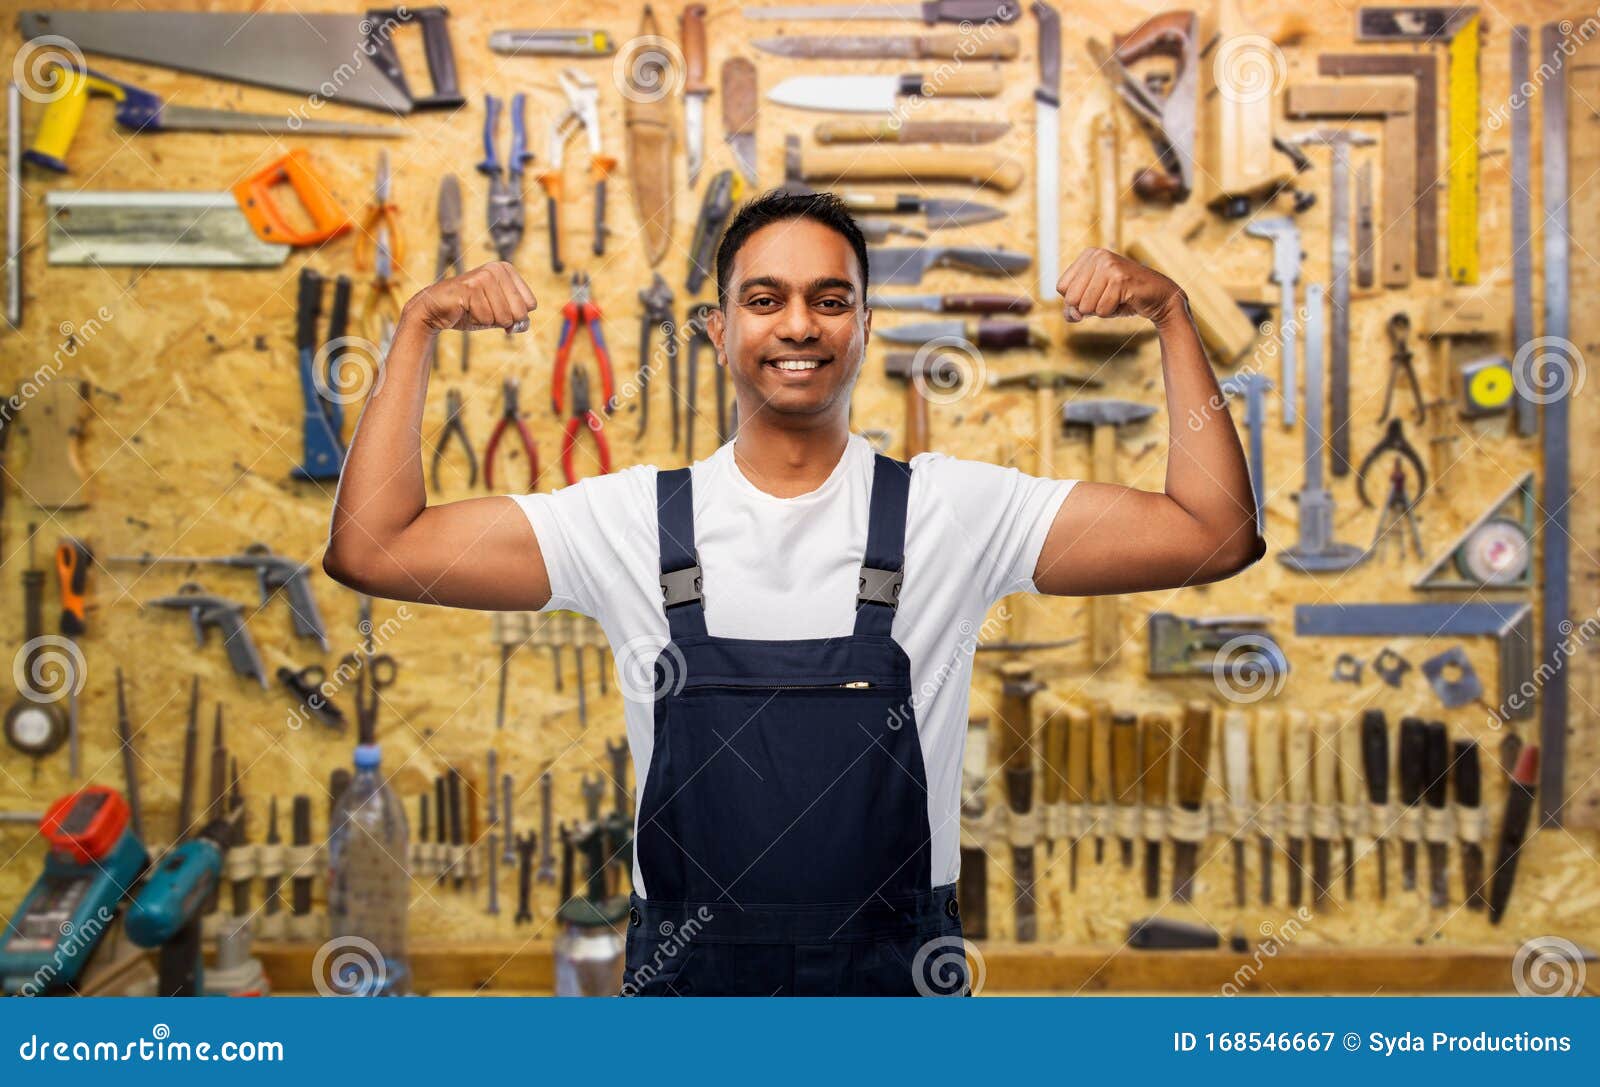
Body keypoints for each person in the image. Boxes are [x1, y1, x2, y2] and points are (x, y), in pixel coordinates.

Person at [324, 189, 1264, 996]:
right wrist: (418, 327)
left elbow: (1213, 533)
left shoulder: (955, 509)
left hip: (893, 987)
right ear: (717, 329)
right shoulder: (626, 523)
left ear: (864, 325)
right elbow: (377, 546)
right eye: (764, 299)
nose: (800, 325)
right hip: (694, 992)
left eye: (830, 299)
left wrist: (1174, 313)